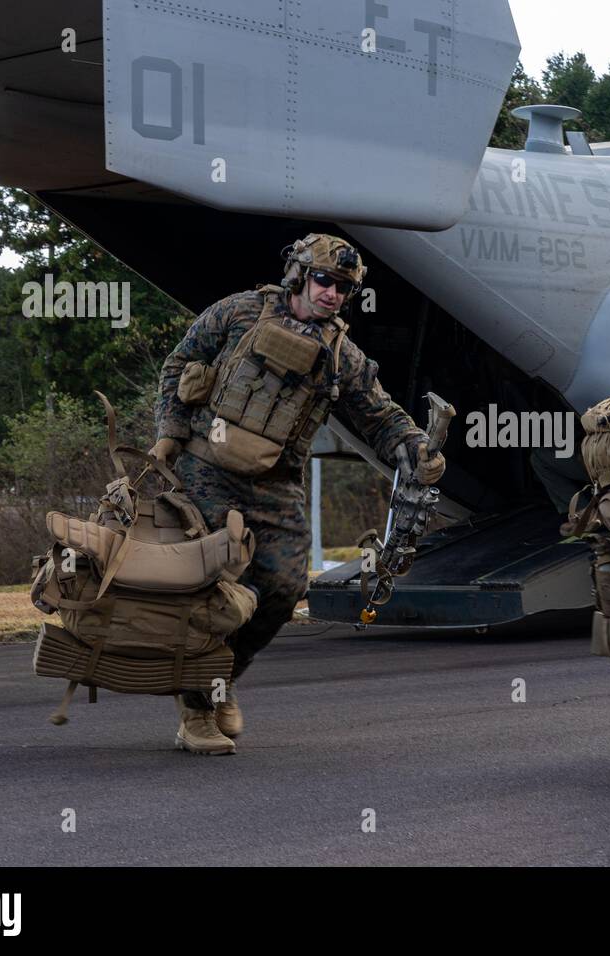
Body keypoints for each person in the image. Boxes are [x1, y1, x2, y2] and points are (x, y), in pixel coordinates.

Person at [149, 234, 445, 754]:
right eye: (324, 280)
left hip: (276, 484)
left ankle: (222, 680)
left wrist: (416, 446)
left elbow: (379, 415)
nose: (332, 293)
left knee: (284, 588)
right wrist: (169, 434)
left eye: (343, 288)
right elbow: (180, 364)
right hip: (206, 470)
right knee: (218, 587)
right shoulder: (239, 312)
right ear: (300, 276)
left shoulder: (342, 355)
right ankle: (197, 710)